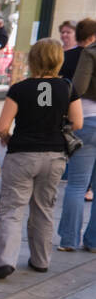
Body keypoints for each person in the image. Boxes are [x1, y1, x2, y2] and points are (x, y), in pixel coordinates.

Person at [0, 40, 82, 277]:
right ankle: (40, 260)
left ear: (33, 59)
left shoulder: (19, 89)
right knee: (44, 208)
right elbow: (78, 123)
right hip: (54, 156)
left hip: (22, 153)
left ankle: (4, 261)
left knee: (12, 207)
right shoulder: (68, 88)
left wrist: (8, 138)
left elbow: (2, 126)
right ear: (58, 59)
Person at [59, 28, 96, 251]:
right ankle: (93, 242)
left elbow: (78, 88)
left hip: (88, 119)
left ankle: (69, 240)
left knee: (77, 184)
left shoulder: (91, 52)